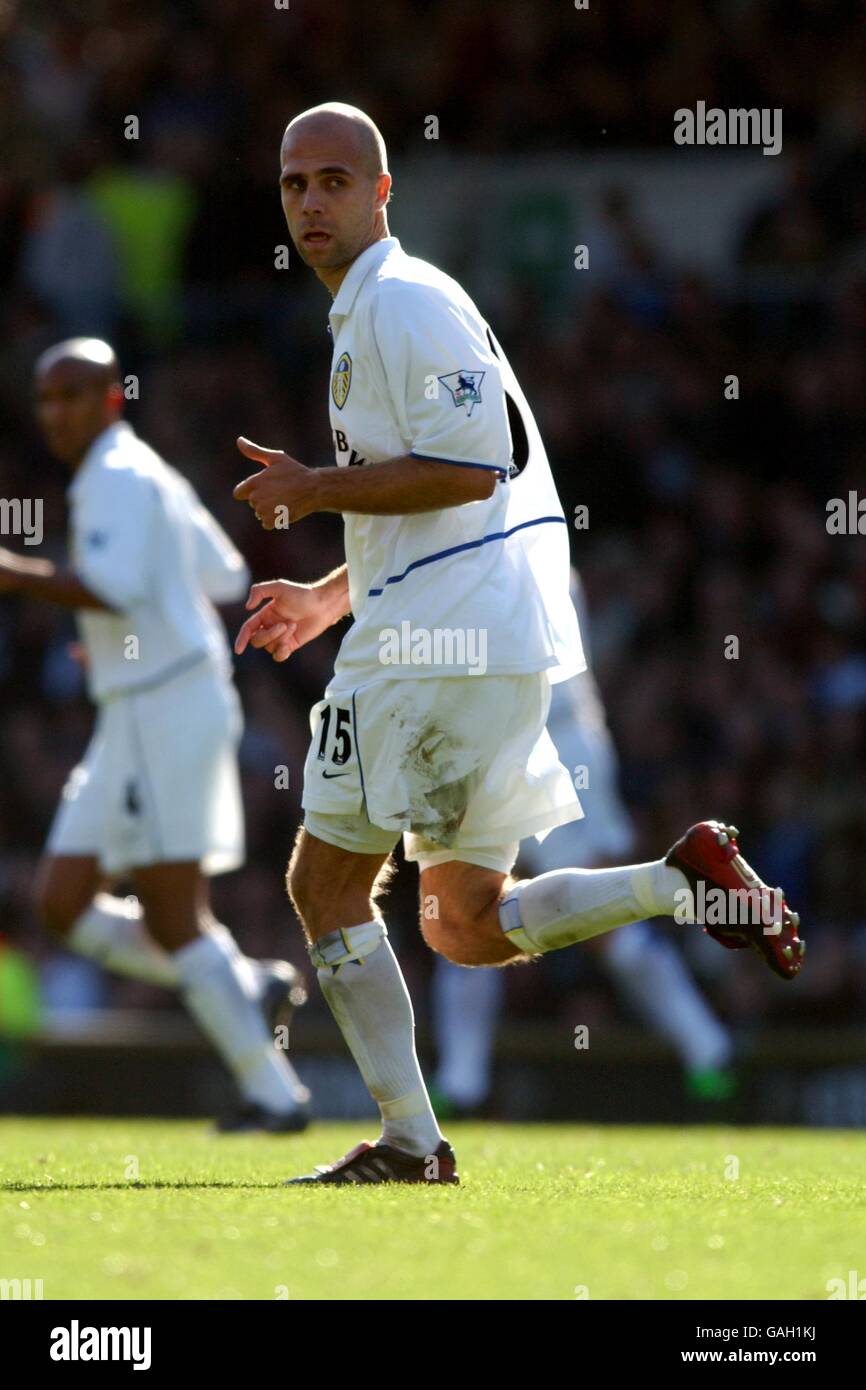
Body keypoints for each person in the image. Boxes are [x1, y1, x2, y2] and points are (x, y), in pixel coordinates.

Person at [232, 103, 803, 1185]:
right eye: (293, 184)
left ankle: (408, 1143)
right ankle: (676, 881)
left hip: (436, 642)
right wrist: (325, 595)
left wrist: (311, 488)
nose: (310, 201)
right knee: (462, 924)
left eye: (333, 181)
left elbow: (472, 465)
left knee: (324, 887)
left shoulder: (402, 301)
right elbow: (441, 505)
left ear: (381, 191)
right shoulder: (372, 314)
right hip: (481, 634)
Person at [0, 336, 310, 1134]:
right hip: (142, 706)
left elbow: (112, 585)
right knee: (62, 904)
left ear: (111, 399)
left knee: (174, 918)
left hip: (164, 705)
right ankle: (243, 980)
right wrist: (125, 626)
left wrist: (10, 570)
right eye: (47, 399)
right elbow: (224, 575)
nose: (56, 413)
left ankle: (272, 1093)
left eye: (73, 396)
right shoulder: (148, 474)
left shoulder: (115, 474)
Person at [431, 571, 736, 1120]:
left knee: (598, 920)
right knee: (461, 908)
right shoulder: (495, 538)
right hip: (506, 746)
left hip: (552, 745)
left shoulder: (510, 546)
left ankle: (709, 1050)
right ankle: (462, 1082)